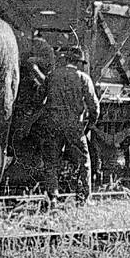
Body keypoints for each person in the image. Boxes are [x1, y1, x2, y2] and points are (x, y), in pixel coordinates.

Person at [38, 56, 101, 202]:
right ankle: (83, 198)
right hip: (74, 125)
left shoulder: (52, 76)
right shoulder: (82, 78)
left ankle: (52, 197)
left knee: (51, 161)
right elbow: (94, 107)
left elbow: (39, 99)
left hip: (53, 124)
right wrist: (90, 123)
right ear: (78, 63)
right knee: (84, 160)